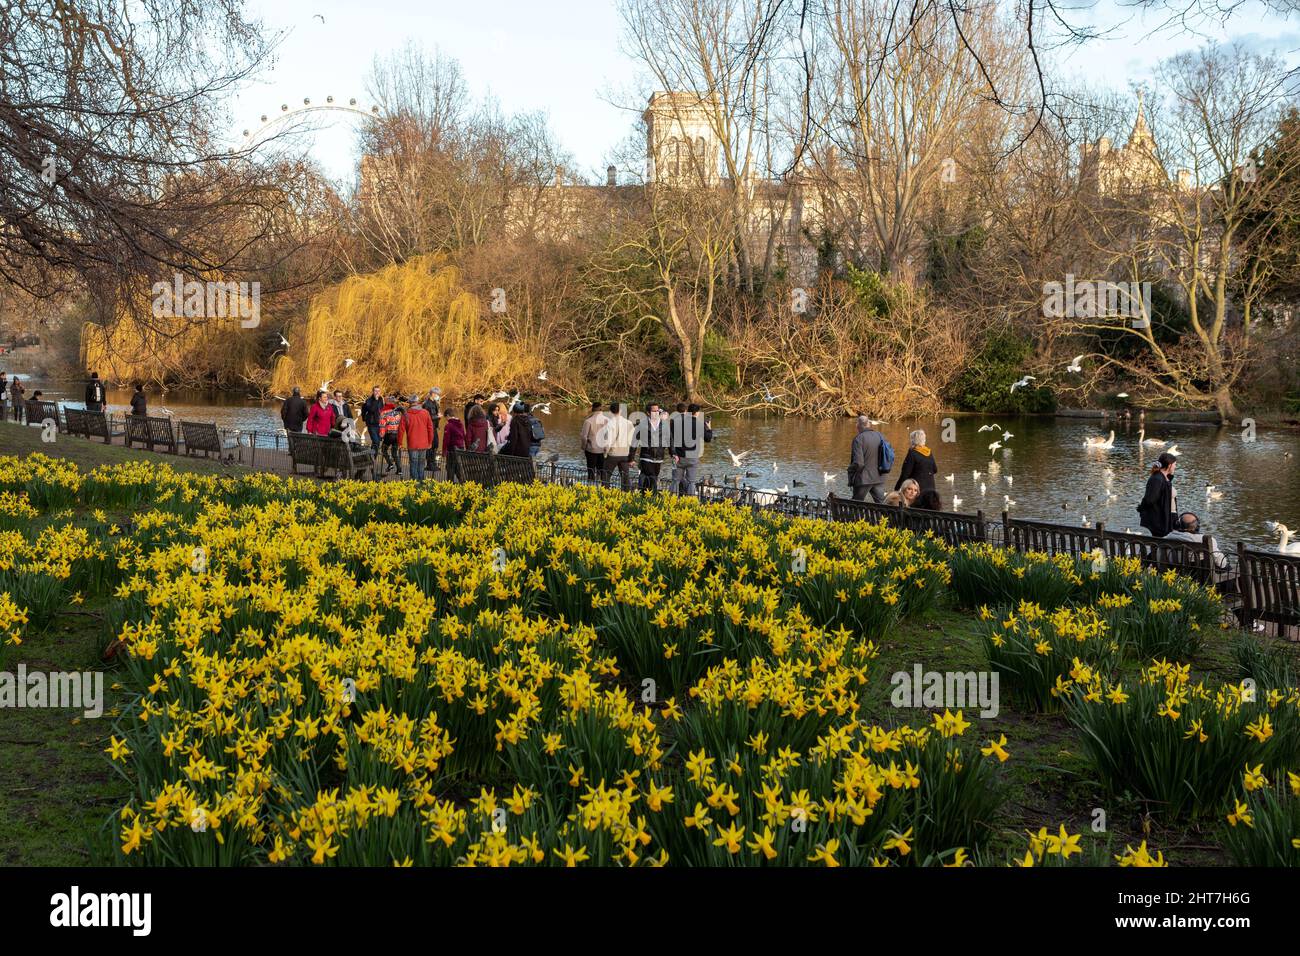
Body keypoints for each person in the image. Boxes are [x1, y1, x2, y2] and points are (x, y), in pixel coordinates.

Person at [1164, 511, 1233, 583]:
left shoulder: (1166, 538)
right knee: (1228, 569)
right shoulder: (1205, 540)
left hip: (1174, 574)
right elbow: (1221, 563)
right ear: (1196, 527)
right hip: (1200, 577)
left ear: (1178, 525)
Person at [670, 403, 711, 495]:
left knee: (675, 480)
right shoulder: (699, 424)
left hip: (678, 456)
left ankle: (671, 501)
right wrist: (708, 428)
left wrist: (673, 453)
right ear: (696, 413)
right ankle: (690, 503)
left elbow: (671, 438)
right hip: (692, 457)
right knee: (691, 482)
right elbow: (708, 438)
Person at [1137, 452, 1178, 537]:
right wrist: (1142, 509)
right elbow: (1150, 500)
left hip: (1168, 516)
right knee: (1163, 543)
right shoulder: (1157, 479)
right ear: (1169, 465)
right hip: (1160, 520)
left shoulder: (1164, 477)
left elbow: (1164, 492)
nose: (1175, 467)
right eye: (1175, 464)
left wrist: (1170, 475)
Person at [849, 415, 886, 503]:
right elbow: (887, 456)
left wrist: (850, 470)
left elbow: (859, 463)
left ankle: (853, 517)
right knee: (883, 505)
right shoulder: (880, 436)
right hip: (879, 477)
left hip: (863, 479)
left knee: (856, 504)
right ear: (869, 424)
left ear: (858, 425)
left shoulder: (858, 439)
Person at [398, 394, 435, 480]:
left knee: (413, 464)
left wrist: (400, 443)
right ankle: (421, 483)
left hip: (412, 444)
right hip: (424, 444)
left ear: (410, 403)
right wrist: (430, 442)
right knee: (421, 465)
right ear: (418, 402)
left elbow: (401, 430)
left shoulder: (406, 414)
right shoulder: (425, 413)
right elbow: (430, 429)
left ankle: (413, 484)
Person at [601, 402, 635, 490]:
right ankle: (626, 494)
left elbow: (607, 442)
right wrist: (631, 457)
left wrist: (605, 454)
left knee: (606, 475)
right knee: (625, 477)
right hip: (625, 454)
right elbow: (633, 441)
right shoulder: (629, 423)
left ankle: (605, 493)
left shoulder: (609, 424)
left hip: (613, 454)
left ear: (610, 411)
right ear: (621, 410)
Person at [635, 402, 668, 492]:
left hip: (659, 457)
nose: (657, 413)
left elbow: (670, 439)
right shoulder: (642, 424)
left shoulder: (663, 424)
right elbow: (634, 441)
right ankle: (650, 494)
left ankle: (645, 493)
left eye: (658, 411)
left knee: (653, 476)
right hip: (646, 456)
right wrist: (630, 458)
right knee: (651, 476)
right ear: (648, 413)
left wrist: (674, 453)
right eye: (654, 411)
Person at [895, 429, 937, 495]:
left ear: (913, 440)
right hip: (931, 488)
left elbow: (905, 474)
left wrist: (897, 488)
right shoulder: (928, 452)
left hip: (917, 489)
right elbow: (935, 470)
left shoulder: (912, 453)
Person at [580, 402, 609, 480]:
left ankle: (591, 487)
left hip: (591, 450)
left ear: (593, 409)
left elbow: (584, 437)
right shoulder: (607, 420)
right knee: (602, 471)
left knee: (591, 470)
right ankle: (602, 488)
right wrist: (607, 448)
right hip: (603, 450)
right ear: (601, 409)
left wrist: (584, 447)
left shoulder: (588, 421)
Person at [379, 396, 404, 476]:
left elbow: (382, 425)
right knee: (394, 453)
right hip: (397, 435)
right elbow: (402, 425)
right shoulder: (399, 413)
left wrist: (381, 435)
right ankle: (399, 470)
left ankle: (390, 464)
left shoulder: (384, 413)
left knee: (383, 449)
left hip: (389, 435)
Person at [422, 387, 442, 474]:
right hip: (429, 428)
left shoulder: (435, 403)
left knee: (435, 444)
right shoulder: (427, 404)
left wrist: (438, 418)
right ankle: (429, 464)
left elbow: (435, 415)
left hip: (434, 427)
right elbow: (426, 418)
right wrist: (437, 417)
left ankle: (433, 462)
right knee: (430, 445)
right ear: (433, 394)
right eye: (437, 394)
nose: (438, 396)